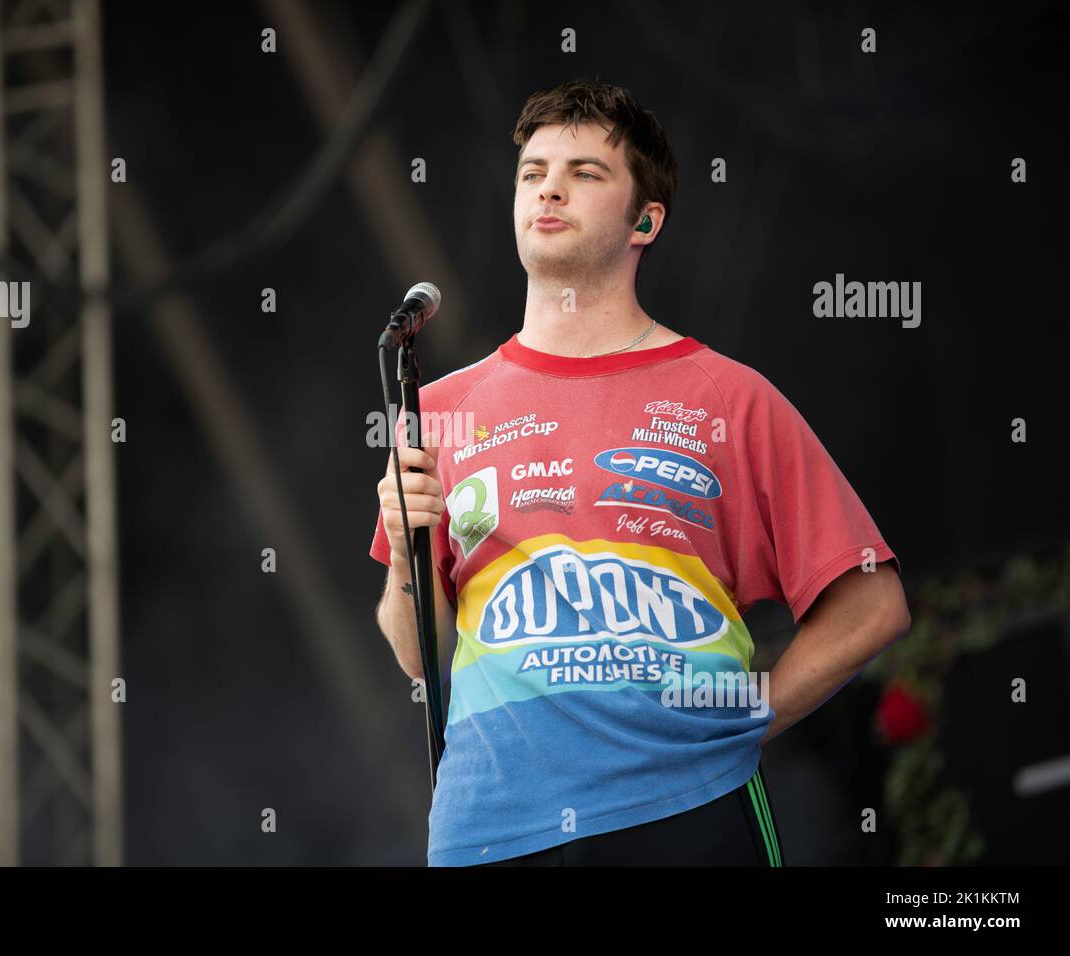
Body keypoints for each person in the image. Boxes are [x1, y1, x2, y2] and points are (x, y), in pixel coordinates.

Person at [368, 78, 910, 867]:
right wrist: (403, 552)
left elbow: (873, 606)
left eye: (585, 172)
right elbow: (421, 656)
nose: (549, 188)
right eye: (533, 172)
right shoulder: (442, 409)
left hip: (684, 805)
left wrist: (750, 715)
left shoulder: (728, 396)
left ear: (645, 221)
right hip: (488, 828)